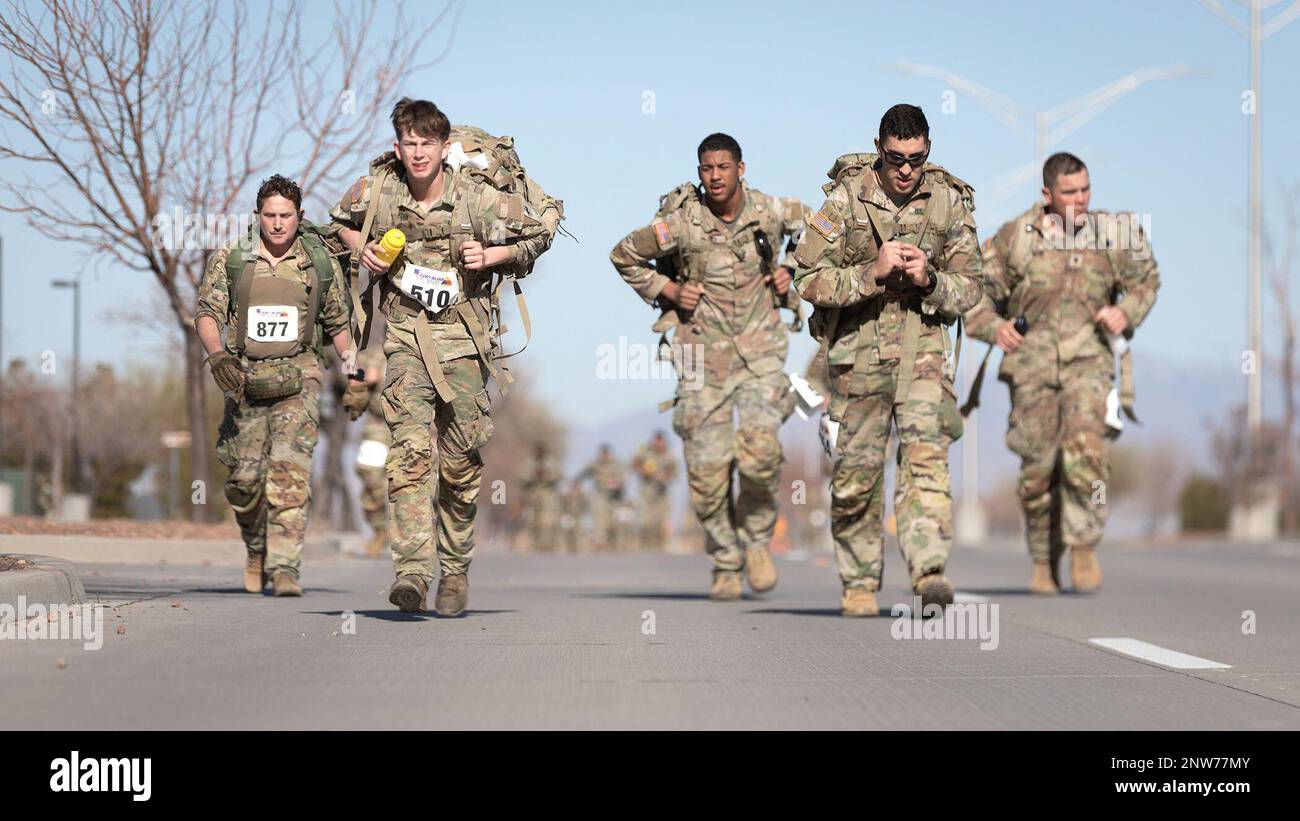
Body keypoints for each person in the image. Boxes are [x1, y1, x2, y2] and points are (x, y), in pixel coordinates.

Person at [327, 98, 559, 615]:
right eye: (408, 143)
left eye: (426, 143)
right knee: (408, 456)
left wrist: (495, 254)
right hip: (405, 343)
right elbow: (335, 224)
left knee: (458, 468)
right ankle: (412, 571)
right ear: (397, 146)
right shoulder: (380, 191)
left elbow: (542, 230)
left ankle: (454, 572)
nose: (416, 153)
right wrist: (360, 246)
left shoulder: (475, 197)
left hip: (466, 350)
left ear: (442, 146)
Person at [791, 104, 983, 617]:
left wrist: (931, 280)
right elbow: (805, 277)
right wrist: (868, 274)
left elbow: (972, 291)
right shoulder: (843, 200)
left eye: (917, 159)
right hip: (857, 358)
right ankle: (858, 581)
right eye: (896, 158)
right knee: (857, 475)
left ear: (928, 151)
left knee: (926, 466)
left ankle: (928, 571)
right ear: (878, 148)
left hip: (922, 356)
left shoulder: (949, 203)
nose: (906, 170)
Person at [610, 133, 809, 600]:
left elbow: (827, 232)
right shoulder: (681, 224)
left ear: (742, 169)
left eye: (723, 167)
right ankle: (724, 559)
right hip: (701, 357)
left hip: (760, 355)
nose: (715, 176)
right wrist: (670, 291)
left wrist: (794, 269)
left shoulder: (775, 211)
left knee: (760, 454)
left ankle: (757, 543)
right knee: (706, 471)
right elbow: (624, 255)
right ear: (699, 172)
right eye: (706, 168)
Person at [963, 152, 1159, 593]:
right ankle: (1042, 557)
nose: (1081, 200)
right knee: (1038, 467)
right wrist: (994, 328)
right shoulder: (1016, 239)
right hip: (1031, 368)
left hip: (1088, 362)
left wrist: (1125, 311)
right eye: (1070, 192)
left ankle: (1084, 546)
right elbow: (971, 292)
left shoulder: (1113, 233)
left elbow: (1147, 279)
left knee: (1085, 453)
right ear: (1048, 194)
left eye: (1086, 189)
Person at [196, 174, 354, 597]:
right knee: (244, 481)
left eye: (286, 215)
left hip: (300, 374)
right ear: (257, 216)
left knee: (289, 471)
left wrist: (352, 367)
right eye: (270, 215)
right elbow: (208, 313)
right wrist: (217, 354)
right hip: (244, 376)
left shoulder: (318, 261)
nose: (279, 223)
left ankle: (286, 569)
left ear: (300, 217)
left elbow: (338, 323)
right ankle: (256, 548)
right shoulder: (233, 257)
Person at [342, 345, 390, 558]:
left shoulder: (430, 347)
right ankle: (379, 528)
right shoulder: (374, 354)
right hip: (379, 426)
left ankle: (425, 536)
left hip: (423, 427)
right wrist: (362, 379)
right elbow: (351, 371)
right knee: (369, 473)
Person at [630, 430, 679, 549]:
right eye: (656, 441)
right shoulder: (645, 452)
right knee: (646, 522)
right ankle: (646, 545)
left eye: (661, 441)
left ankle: (661, 546)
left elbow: (675, 473)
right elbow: (634, 464)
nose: (658, 444)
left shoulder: (669, 455)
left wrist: (666, 477)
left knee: (662, 522)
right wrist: (642, 470)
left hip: (662, 494)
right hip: (646, 493)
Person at [578, 444, 628, 551]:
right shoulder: (595, 464)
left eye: (606, 453)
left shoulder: (617, 464)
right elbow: (584, 472)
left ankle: (615, 543)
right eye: (603, 453)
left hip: (615, 497)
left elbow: (624, 477)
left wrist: (617, 483)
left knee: (614, 521)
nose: (604, 456)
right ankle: (601, 542)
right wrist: (577, 482)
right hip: (600, 494)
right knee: (600, 517)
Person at [522, 442, 564, 552]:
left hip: (548, 493)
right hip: (533, 493)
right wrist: (533, 475)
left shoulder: (551, 463)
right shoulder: (529, 463)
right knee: (532, 520)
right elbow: (522, 478)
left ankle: (547, 544)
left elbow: (559, 476)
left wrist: (547, 475)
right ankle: (534, 544)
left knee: (547, 521)